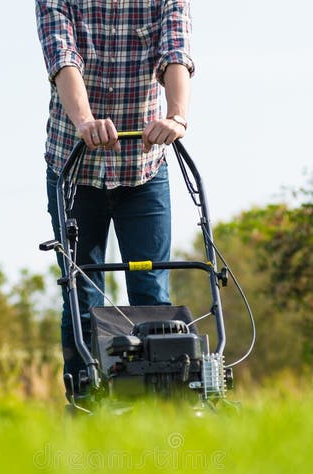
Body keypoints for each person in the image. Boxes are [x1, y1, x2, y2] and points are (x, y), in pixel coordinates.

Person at [36, 0, 195, 397]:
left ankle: (158, 402)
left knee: (152, 291)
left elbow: (175, 51)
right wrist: (85, 121)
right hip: (76, 169)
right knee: (83, 292)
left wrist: (176, 115)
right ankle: (85, 407)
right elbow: (62, 57)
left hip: (143, 168)